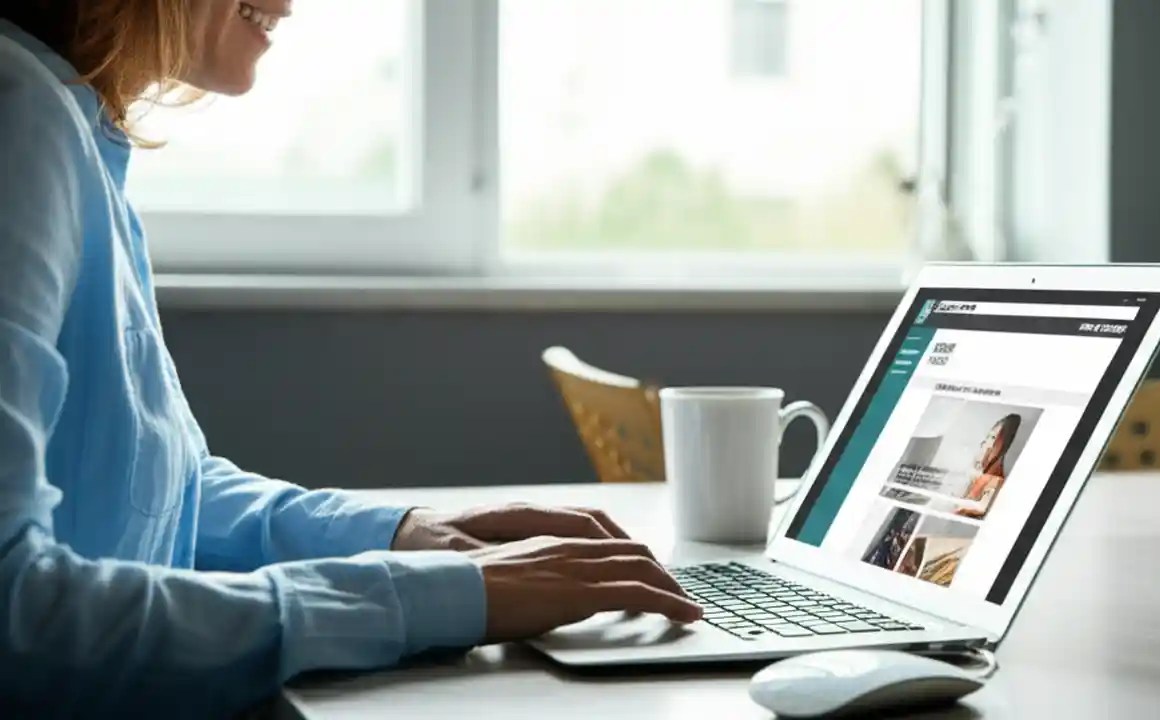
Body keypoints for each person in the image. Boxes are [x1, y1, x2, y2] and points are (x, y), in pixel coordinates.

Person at [0, 2, 701, 716]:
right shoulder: (18, 124)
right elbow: (13, 610)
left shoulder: (67, 128)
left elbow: (157, 497)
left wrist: (401, 535)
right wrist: (443, 598)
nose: (289, 4)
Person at [954, 413, 1023, 519]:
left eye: (993, 437)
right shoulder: (976, 476)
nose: (985, 444)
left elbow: (976, 511)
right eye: (988, 437)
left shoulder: (995, 481)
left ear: (1003, 443)